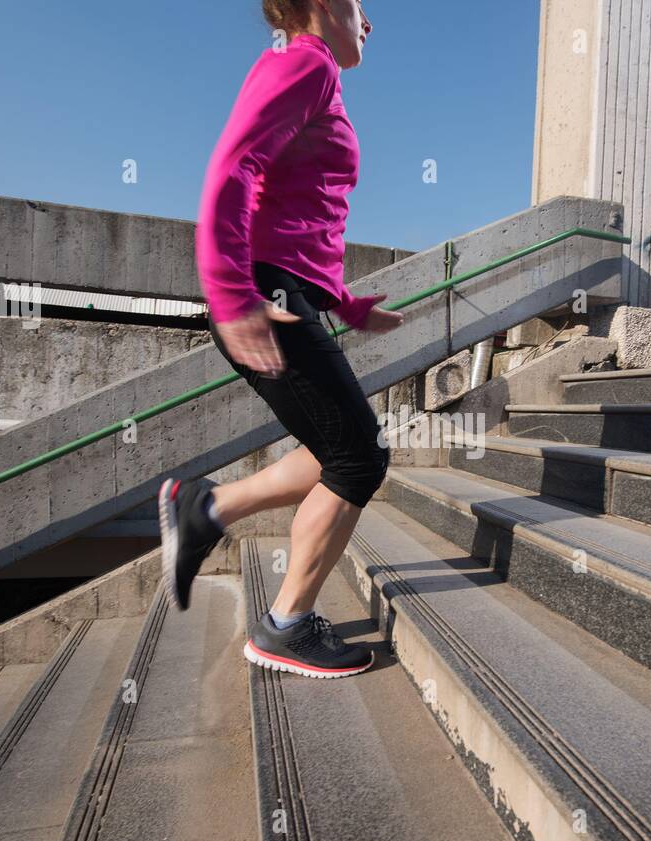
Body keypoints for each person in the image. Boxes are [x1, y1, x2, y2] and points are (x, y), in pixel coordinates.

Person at [159, 0, 402, 679]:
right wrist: (232, 293)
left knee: (334, 448)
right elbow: (231, 167)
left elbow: (300, 212)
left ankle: (207, 508)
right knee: (359, 457)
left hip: (286, 291)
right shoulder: (303, 63)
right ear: (323, 5)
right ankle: (286, 625)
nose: (370, 22)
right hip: (260, 292)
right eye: (360, 5)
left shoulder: (315, 72)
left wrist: (347, 304)